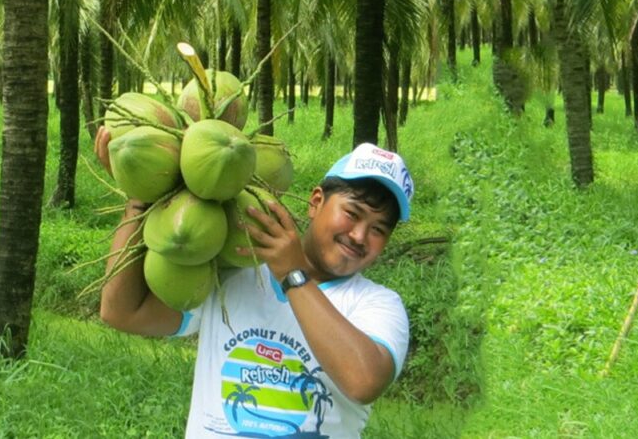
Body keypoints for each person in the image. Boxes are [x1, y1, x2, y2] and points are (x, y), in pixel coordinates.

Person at [97, 133, 413, 438]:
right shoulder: (234, 271)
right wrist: (139, 203)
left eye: (378, 230)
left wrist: (293, 274)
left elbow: (363, 381)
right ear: (316, 201)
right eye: (352, 213)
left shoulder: (378, 304)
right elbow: (123, 312)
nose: (359, 236)